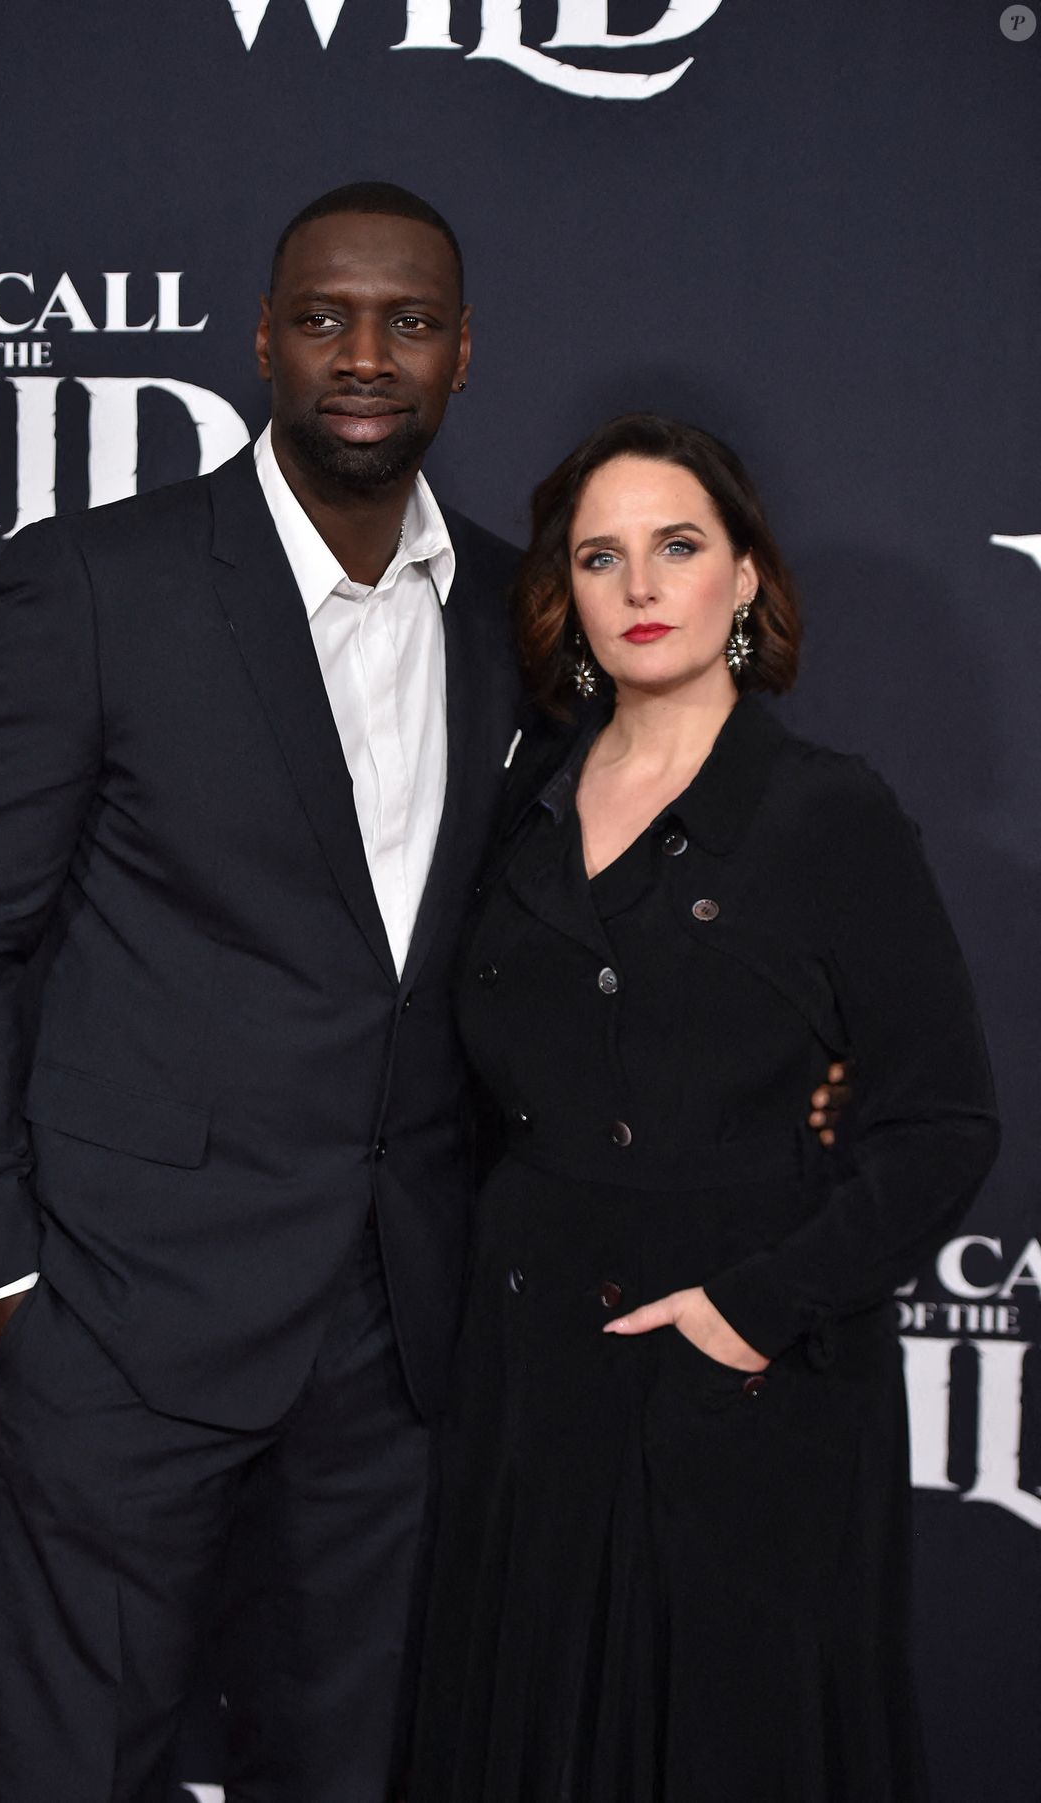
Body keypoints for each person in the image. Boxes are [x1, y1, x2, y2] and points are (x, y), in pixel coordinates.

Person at [0, 183, 523, 1803]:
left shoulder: (519, 617)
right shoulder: (102, 584)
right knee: (79, 1767)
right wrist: (4, 1286)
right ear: (260, 341)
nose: (364, 355)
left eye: (410, 321)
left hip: (400, 1341)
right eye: (324, 318)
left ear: (465, 355)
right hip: (117, 1321)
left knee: (359, 1765)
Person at [409, 413, 1000, 1803]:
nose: (641, 586)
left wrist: (749, 1312)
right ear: (567, 596)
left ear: (746, 577)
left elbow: (943, 1125)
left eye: (678, 546)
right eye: (600, 557)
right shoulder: (514, 810)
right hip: (527, 1392)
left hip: (748, 1394)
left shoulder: (827, 814)